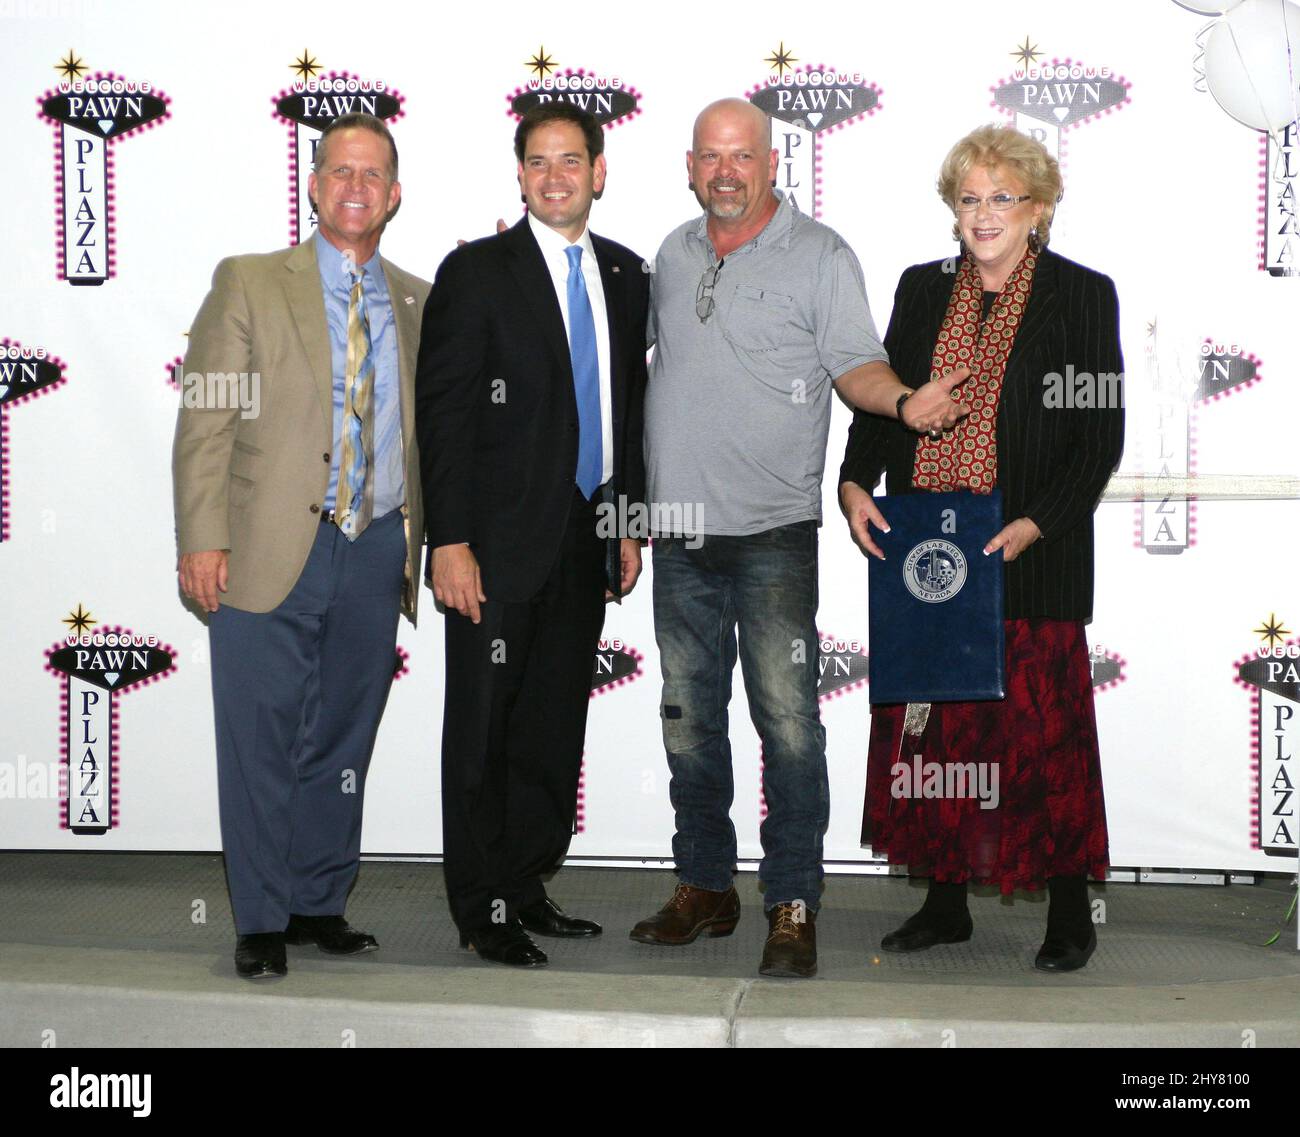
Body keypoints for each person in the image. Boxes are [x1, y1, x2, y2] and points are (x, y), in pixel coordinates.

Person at [630, 98, 967, 979]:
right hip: (677, 532)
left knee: (787, 725)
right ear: (690, 165)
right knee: (689, 723)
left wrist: (902, 401)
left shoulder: (821, 255)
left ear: (772, 163)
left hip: (775, 531)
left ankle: (792, 900)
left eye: (742, 155)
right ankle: (704, 886)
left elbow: (854, 362)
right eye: (711, 156)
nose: (726, 171)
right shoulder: (670, 253)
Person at [839, 123, 1124, 972]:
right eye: (970, 198)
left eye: (1003, 197)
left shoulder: (1082, 294)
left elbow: (1097, 436)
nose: (984, 213)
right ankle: (944, 901)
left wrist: (1036, 523)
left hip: (1034, 550)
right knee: (941, 737)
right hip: (932, 550)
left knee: (1043, 741)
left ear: (1038, 208)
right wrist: (855, 484)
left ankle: (1070, 908)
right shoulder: (921, 290)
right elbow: (883, 401)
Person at [173, 113, 428, 980]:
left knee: (343, 735)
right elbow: (205, 418)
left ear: (394, 196)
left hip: (374, 547)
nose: (355, 186)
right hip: (264, 545)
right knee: (260, 735)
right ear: (313, 186)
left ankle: (320, 900)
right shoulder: (247, 282)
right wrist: (203, 536)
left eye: (373, 174)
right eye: (339, 171)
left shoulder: (417, 298)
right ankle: (260, 915)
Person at [416, 103, 647, 968]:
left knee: (551, 727)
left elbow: (628, 412)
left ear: (599, 170)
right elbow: (441, 419)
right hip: (495, 548)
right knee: (481, 733)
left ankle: (526, 882)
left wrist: (625, 522)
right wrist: (451, 539)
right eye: (539, 161)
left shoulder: (627, 275)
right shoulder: (476, 272)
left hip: (587, 545)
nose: (556, 175)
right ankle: (480, 908)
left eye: (572, 159)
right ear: (520, 175)